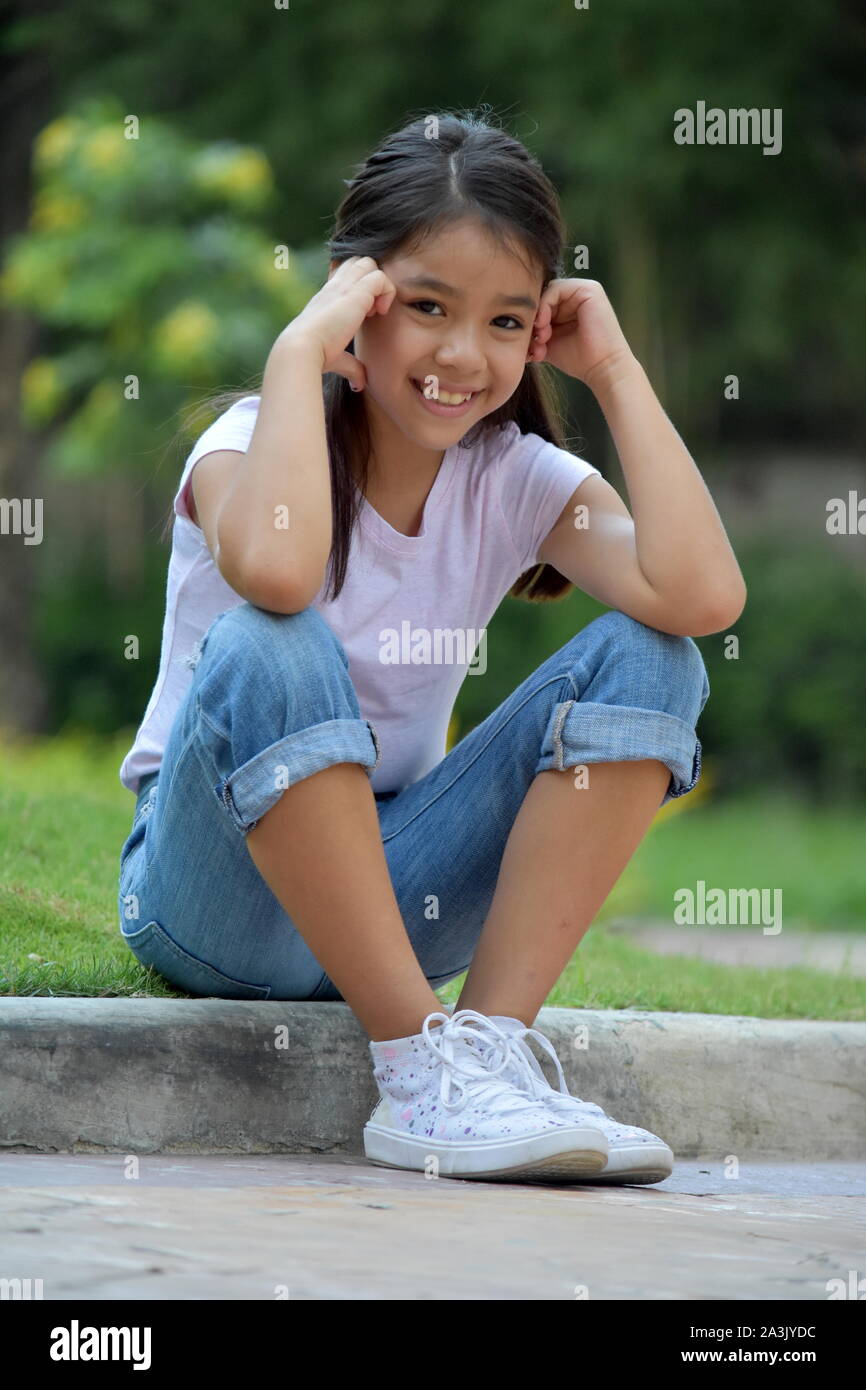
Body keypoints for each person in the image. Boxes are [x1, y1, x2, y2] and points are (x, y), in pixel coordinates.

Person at [117, 110, 745, 1186]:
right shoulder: (245, 449)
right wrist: (293, 353)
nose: (463, 355)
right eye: (425, 308)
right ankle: (417, 1070)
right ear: (356, 297)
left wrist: (617, 371)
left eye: (506, 320)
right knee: (276, 641)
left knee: (657, 658)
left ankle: (480, 1056)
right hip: (209, 891)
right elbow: (277, 580)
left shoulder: (506, 476)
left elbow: (699, 596)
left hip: (394, 885)